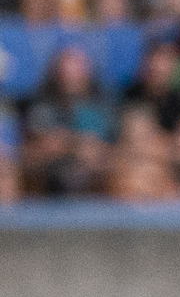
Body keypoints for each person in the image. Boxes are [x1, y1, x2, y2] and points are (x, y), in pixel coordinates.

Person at [18, 45, 117, 197]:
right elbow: (29, 151)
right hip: (47, 176)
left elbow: (116, 152)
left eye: (77, 71)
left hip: (96, 179)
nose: (70, 77)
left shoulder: (105, 108)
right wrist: (60, 145)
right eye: (65, 72)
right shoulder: (38, 107)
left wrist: (91, 149)